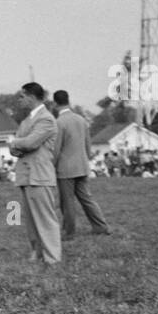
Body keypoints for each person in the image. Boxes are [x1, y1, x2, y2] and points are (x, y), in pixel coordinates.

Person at [9, 82, 61, 265]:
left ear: (32, 97)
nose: (20, 100)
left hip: (39, 175)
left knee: (45, 219)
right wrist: (18, 143)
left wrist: (16, 142)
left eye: (22, 96)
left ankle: (52, 257)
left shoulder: (46, 119)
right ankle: (37, 252)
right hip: (26, 176)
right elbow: (18, 148)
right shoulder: (26, 121)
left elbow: (30, 143)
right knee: (31, 221)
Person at [52, 90, 110, 239]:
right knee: (87, 198)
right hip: (82, 165)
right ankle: (100, 226)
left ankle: (69, 232)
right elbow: (88, 144)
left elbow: (57, 148)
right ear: (68, 101)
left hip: (65, 169)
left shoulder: (59, 122)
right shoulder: (81, 119)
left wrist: (52, 165)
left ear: (55, 103)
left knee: (67, 202)